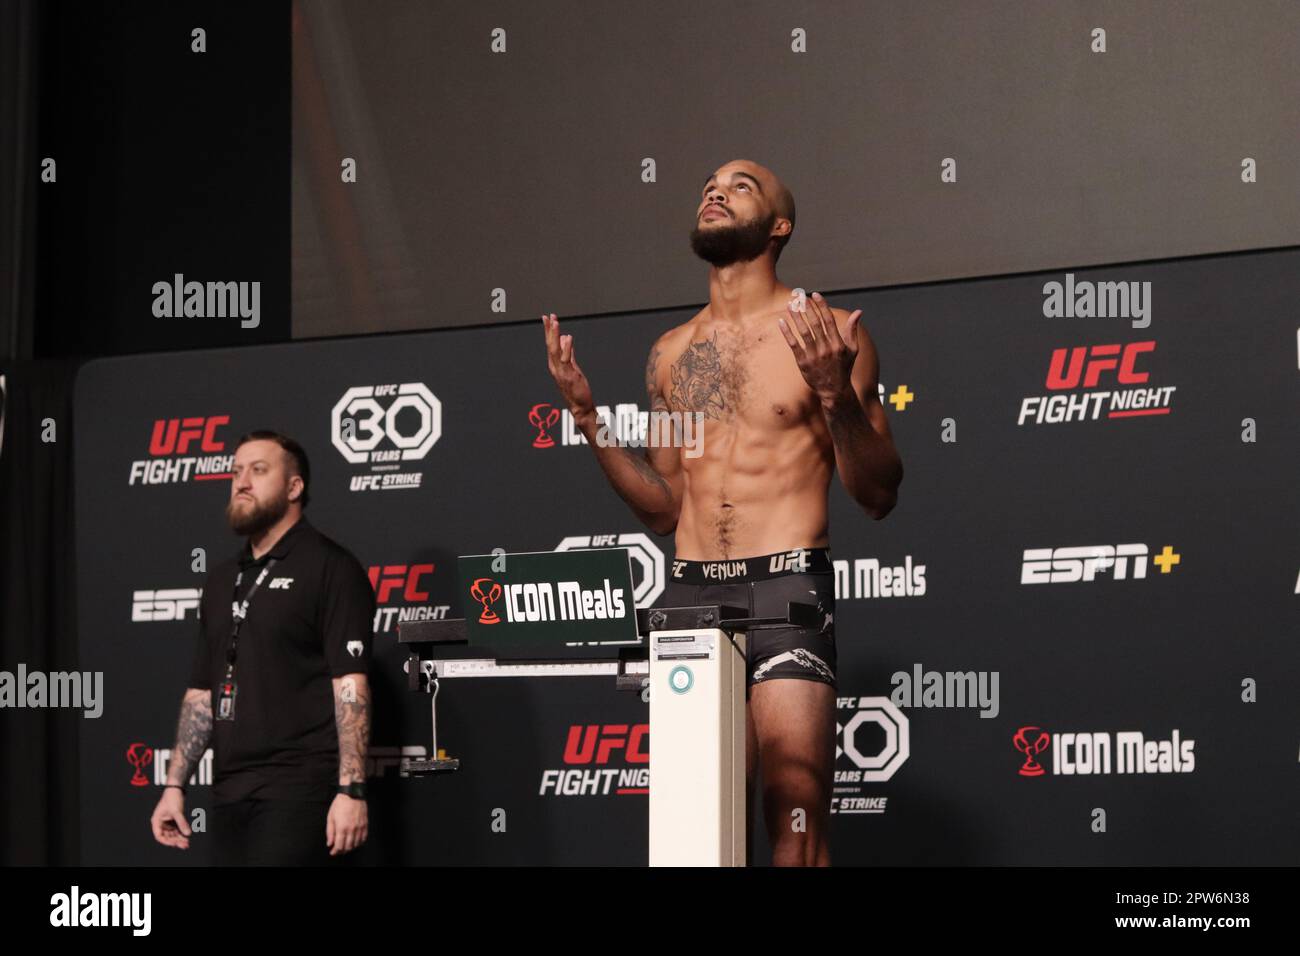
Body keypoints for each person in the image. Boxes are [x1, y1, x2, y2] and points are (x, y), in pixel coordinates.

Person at [542, 159, 903, 866]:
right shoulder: (672, 356)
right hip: (691, 593)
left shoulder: (825, 333)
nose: (715, 189)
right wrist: (589, 422)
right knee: (694, 838)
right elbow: (665, 506)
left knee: (795, 834)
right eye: (709, 182)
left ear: (779, 225)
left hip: (786, 588)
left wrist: (835, 399)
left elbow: (879, 493)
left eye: (741, 185)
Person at [149, 430, 375, 865]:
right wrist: (175, 785)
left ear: (294, 487)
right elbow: (201, 692)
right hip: (229, 791)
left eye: (258, 470)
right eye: (236, 472)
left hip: (299, 790)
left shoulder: (331, 567)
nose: (242, 482)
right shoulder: (220, 580)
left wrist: (351, 789)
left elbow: (350, 684)